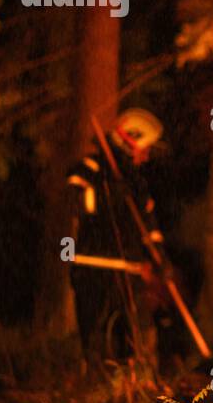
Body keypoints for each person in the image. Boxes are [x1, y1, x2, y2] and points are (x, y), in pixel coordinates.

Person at [66, 108, 168, 370]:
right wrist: (108, 193)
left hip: (129, 270)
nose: (144, 157)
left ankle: (138, 388)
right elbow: (77, 203)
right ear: (129, 142)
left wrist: (158, 256)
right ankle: (94, 387)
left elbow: (148, 224)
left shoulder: (137, 184)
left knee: (139, 333)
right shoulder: (90, 168)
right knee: (96, 336)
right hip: (93, 268)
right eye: (142, 149)